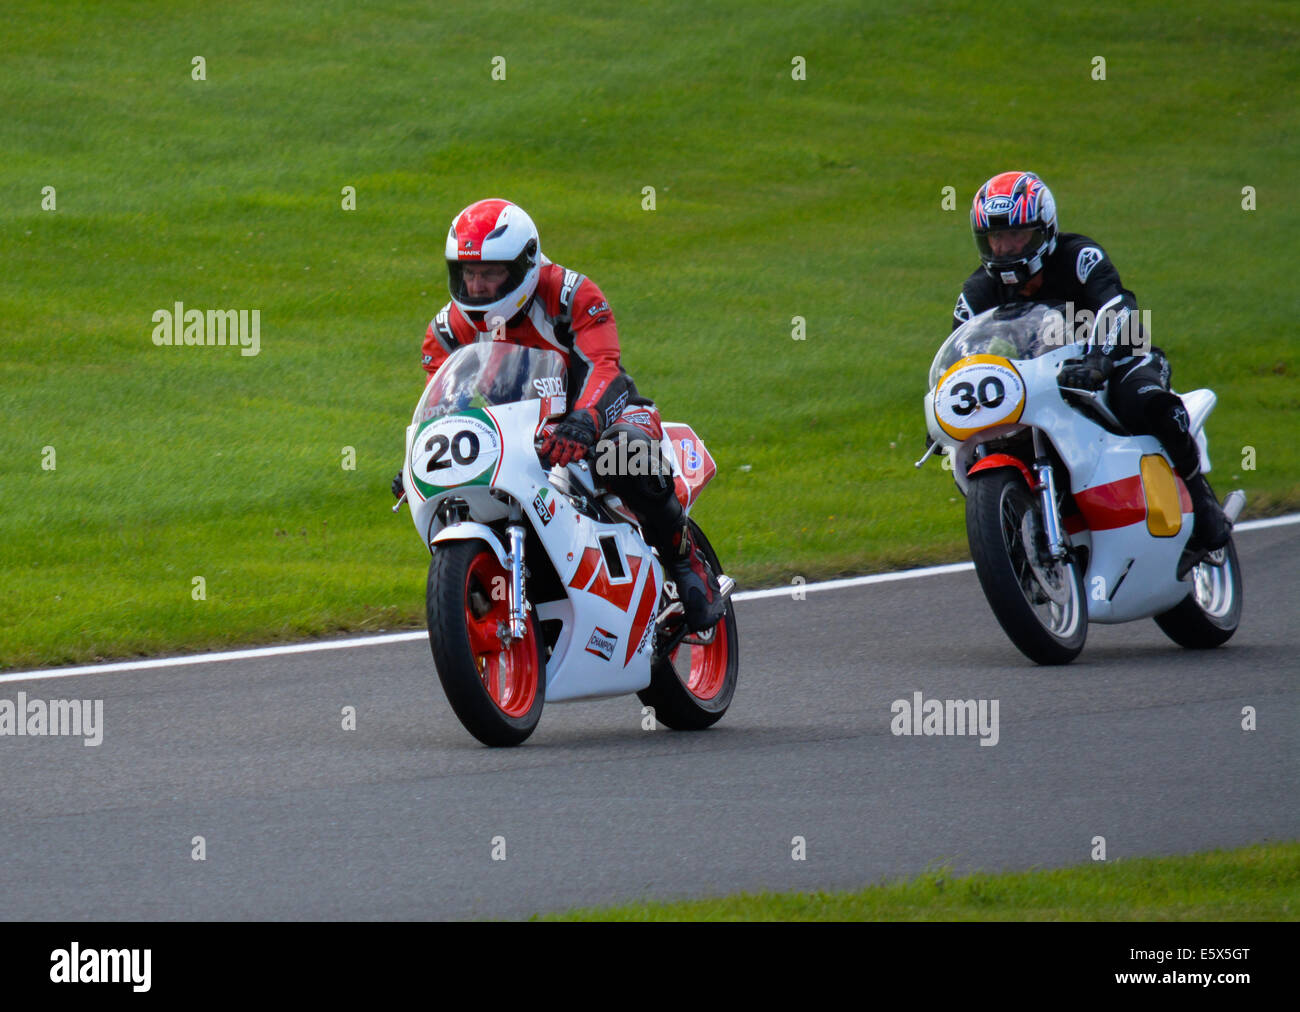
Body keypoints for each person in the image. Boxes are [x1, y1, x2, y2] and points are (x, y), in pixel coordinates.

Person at [392, 198, 725, 631]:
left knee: (623, 453)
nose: (476, 287)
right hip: (518, 435)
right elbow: (443, 400)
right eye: (468, 274)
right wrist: (421, 456)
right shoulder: (447, 329)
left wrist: (585, 419)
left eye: (490, 274)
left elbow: (605, 364)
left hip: (603, 414)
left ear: (523, 264)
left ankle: (687, 567)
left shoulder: (571, 295)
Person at [953, 171, 1231, 549]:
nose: (1006, 249)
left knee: (1144, 402)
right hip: (1043, 383)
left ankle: (1201, 498)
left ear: (1044, 230)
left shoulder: (1080, 257)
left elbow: (1120, 309)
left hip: (1118, 360)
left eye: (1017, 235)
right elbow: (963, 353)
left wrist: (1100, 358)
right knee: (984, 445)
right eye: (996, 238)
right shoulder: (976, 293)